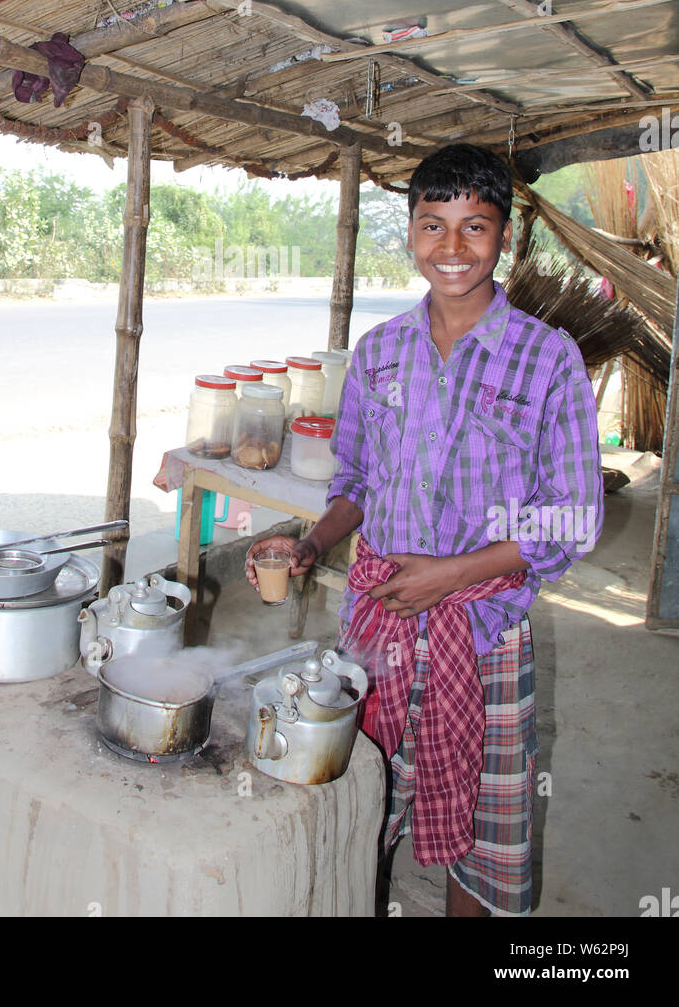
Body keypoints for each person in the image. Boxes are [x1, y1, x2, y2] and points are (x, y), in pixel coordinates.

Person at [246, 143, 603, 917]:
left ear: (503, 234)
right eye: (433, 225)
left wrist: (452, 575)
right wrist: (311, 544)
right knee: (361, 802)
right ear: (409, 232)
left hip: (482, 630)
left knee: (480, 819)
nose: (452, 247)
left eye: (475, 226)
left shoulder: (547, 359)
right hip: (377, 627)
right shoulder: (380, 353)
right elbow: (355, 482)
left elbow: (571, 514)